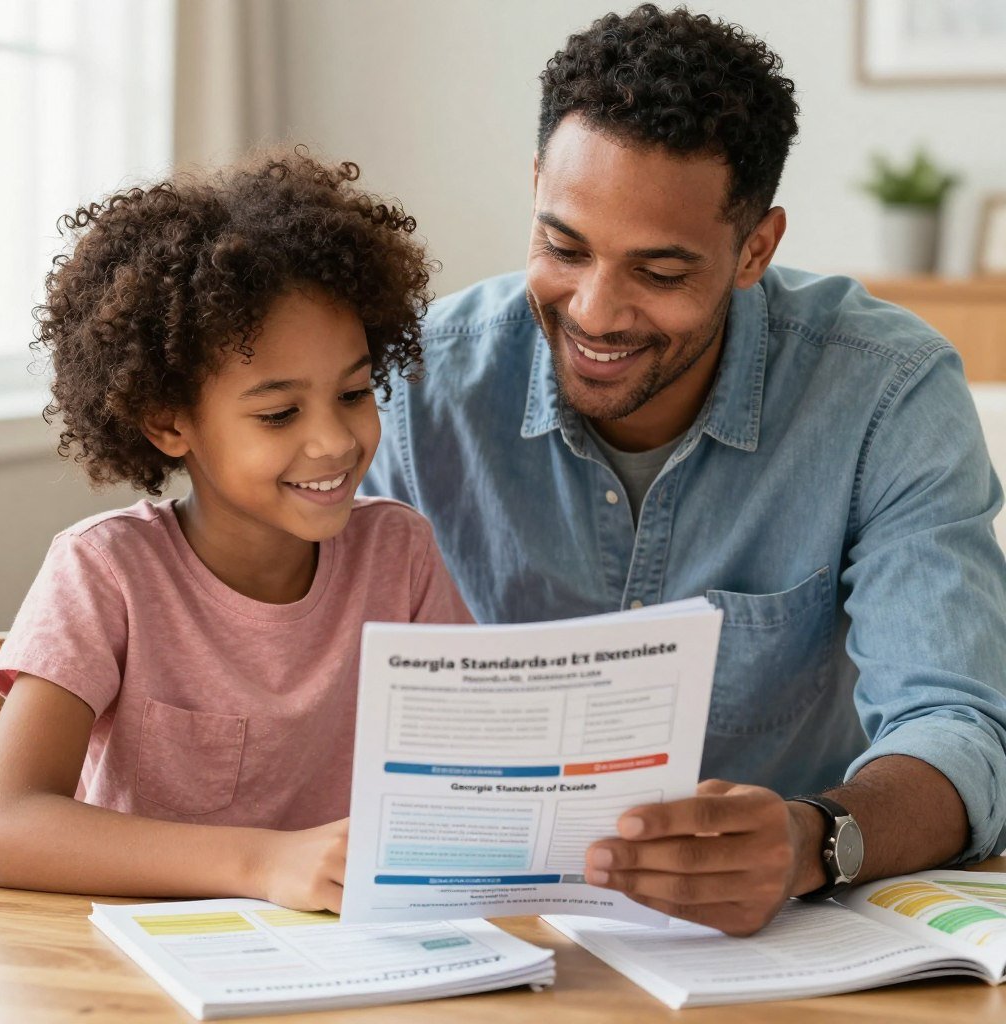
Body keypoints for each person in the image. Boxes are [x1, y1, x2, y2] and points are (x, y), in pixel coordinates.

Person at [363, 5, 1006, 935]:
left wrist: (814, 840)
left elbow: (959, 728)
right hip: (476, 929)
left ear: (756, 248)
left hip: (782, 937)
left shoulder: (886, 395)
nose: (594, 311)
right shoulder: (413, 389)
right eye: (563, 246)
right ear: (535, 188)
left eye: (659, 273)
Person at [0, 150, 471, 909]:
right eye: (279, 413)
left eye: (352, 392)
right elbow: (2, 826)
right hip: (140, 967)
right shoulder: (105, 573)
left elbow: (469, 779)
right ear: (168, 421)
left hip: (343, 955)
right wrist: (265, 865)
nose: (335, 442)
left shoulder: (398, 555)